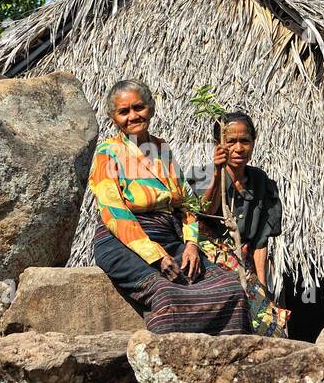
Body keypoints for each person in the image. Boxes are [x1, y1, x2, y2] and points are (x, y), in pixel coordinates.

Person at [89, 80, 251, 335]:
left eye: (138, 107)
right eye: (124, 111)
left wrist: (191, 245)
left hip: (169, 238)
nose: (133, 116)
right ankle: (167, 364)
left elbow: (185, 203)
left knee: (230, 287)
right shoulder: (107, 153)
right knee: (167, 293)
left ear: (151, 109)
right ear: (113, 118)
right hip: (123, 242)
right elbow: (115, 213)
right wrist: (155, 255)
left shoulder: (161, 148)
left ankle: (228, 361)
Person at [190, 111, 291, 336]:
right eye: (231, 142)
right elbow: (204, 213)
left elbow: (260, 242)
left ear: (254, 142)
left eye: (245, 141)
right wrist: (217, 173)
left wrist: (263, 290)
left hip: (245, 267)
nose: (238, 148)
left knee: (270, 324)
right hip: (210, 263)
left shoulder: (261, 182)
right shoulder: (202, 175)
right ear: (218, 144)